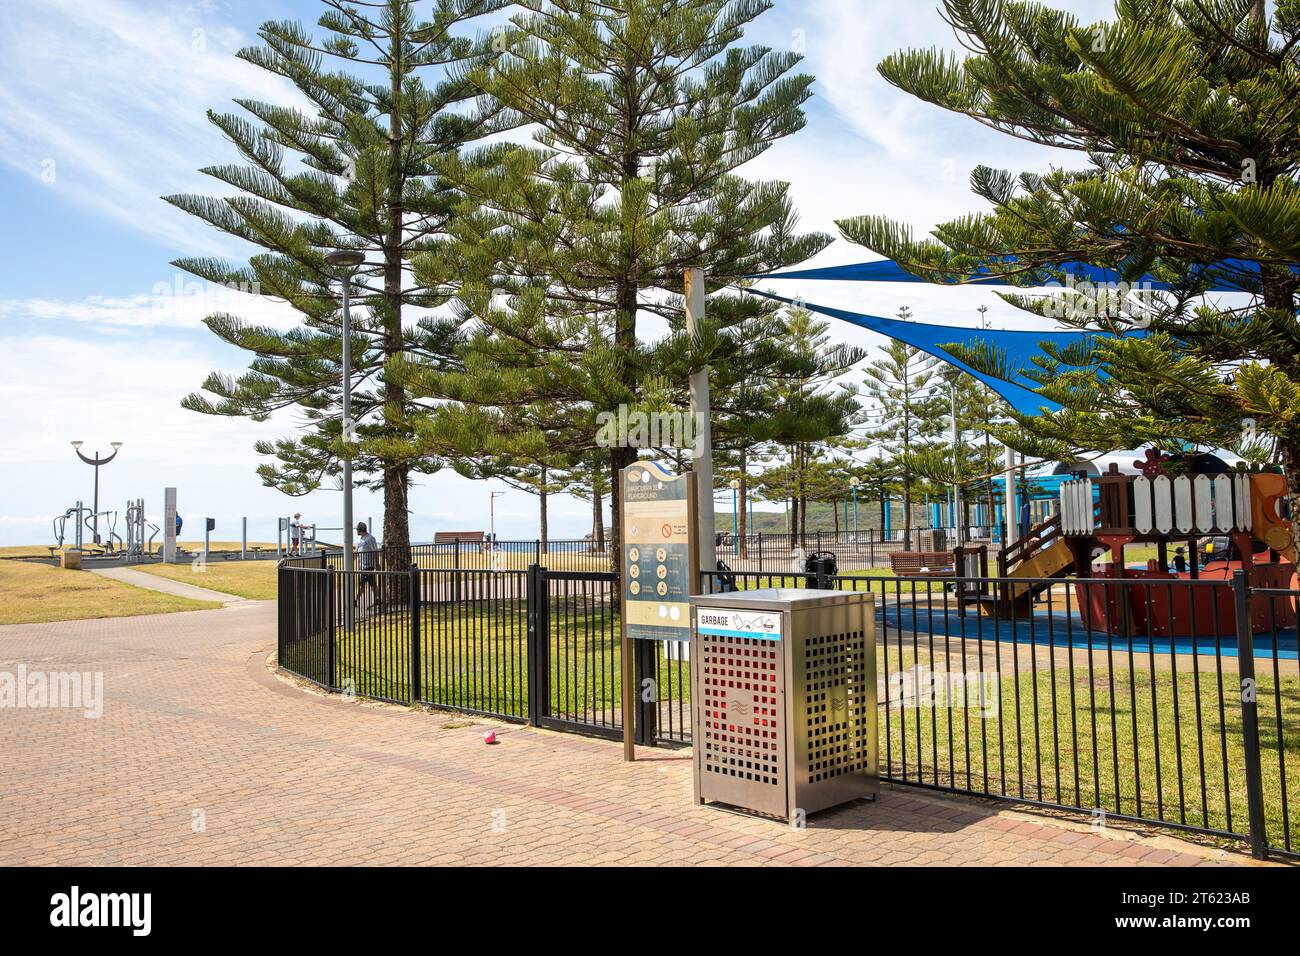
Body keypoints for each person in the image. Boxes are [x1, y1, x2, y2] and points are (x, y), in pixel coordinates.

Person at [355, 522, 380, 611]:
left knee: (363, 584)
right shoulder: (361, 539)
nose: (356, 531)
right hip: (362, 566)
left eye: (357, 530)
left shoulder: (370, 538)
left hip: (368, 566)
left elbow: (375, 551)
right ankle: (377, 598)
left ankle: (356, 600)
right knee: (372, 583)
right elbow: (357, 551)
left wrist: (377, 564)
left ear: (361, 530)